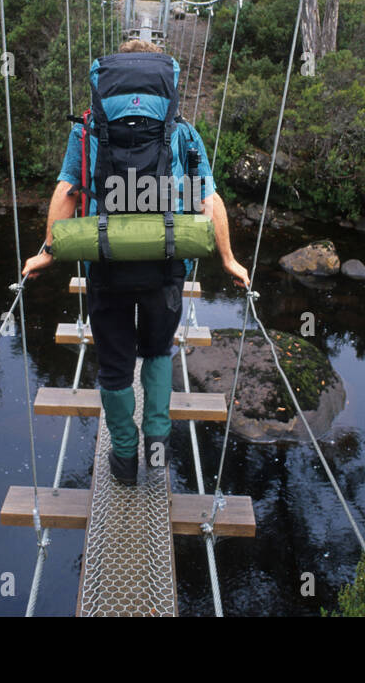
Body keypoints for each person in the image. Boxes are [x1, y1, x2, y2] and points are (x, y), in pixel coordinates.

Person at [21, 39, 250, 486]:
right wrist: (228, 259)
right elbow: (209, 199)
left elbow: (67, 192)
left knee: (114, 365)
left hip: (104, 268)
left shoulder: (88, 131)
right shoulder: (180, 131)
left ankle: (124, 462)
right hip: (165, 269)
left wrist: (47, 252)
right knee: (158, 353)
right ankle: (158, 452)